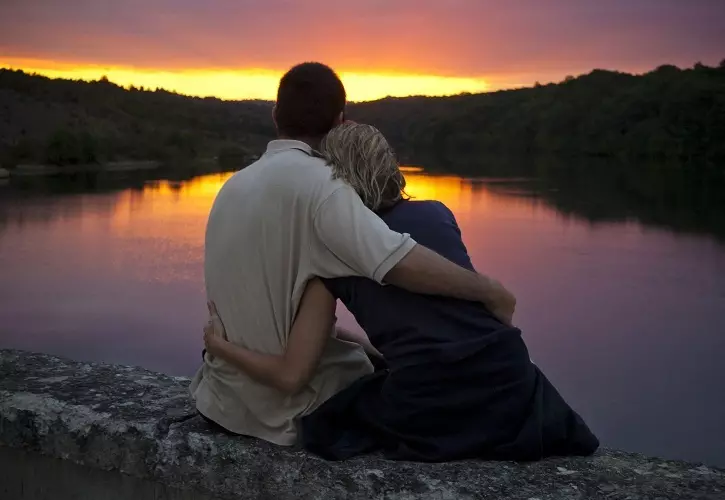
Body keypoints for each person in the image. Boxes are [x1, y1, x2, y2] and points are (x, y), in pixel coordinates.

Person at [203, 122, 600, 462]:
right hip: (511, 379)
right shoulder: (437, 212)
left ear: (333, 177)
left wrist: (220, 346)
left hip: (430, 399)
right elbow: (435, 319)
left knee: (325, 425)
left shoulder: (335, 250)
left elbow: (293, 374)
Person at [190, 62, 516, 446]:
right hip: (283, 413)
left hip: (221, 401)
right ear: (341, 120)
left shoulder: (232, 187)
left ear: (275, 114)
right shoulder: (323, 188)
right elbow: (398, 261)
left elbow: (285, 316)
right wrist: (489, 291)